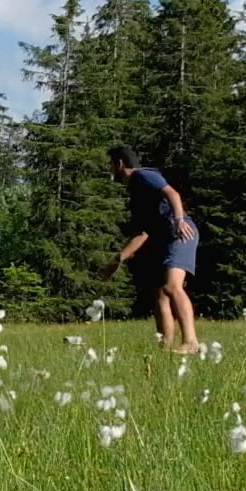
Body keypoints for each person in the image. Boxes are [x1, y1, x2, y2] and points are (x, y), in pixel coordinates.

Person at [100, 146, 200, 354]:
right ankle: (165, 346)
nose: (109, 169)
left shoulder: (143, 176)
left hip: (180, 233)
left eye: (111, 164)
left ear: (119, 164)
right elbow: (143, 233)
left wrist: (179, 220)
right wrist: (118, 259)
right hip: (163, 238)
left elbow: (172, 192)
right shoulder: (135, 194)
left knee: (173, 287)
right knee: (159, 294)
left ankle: (191, 342)